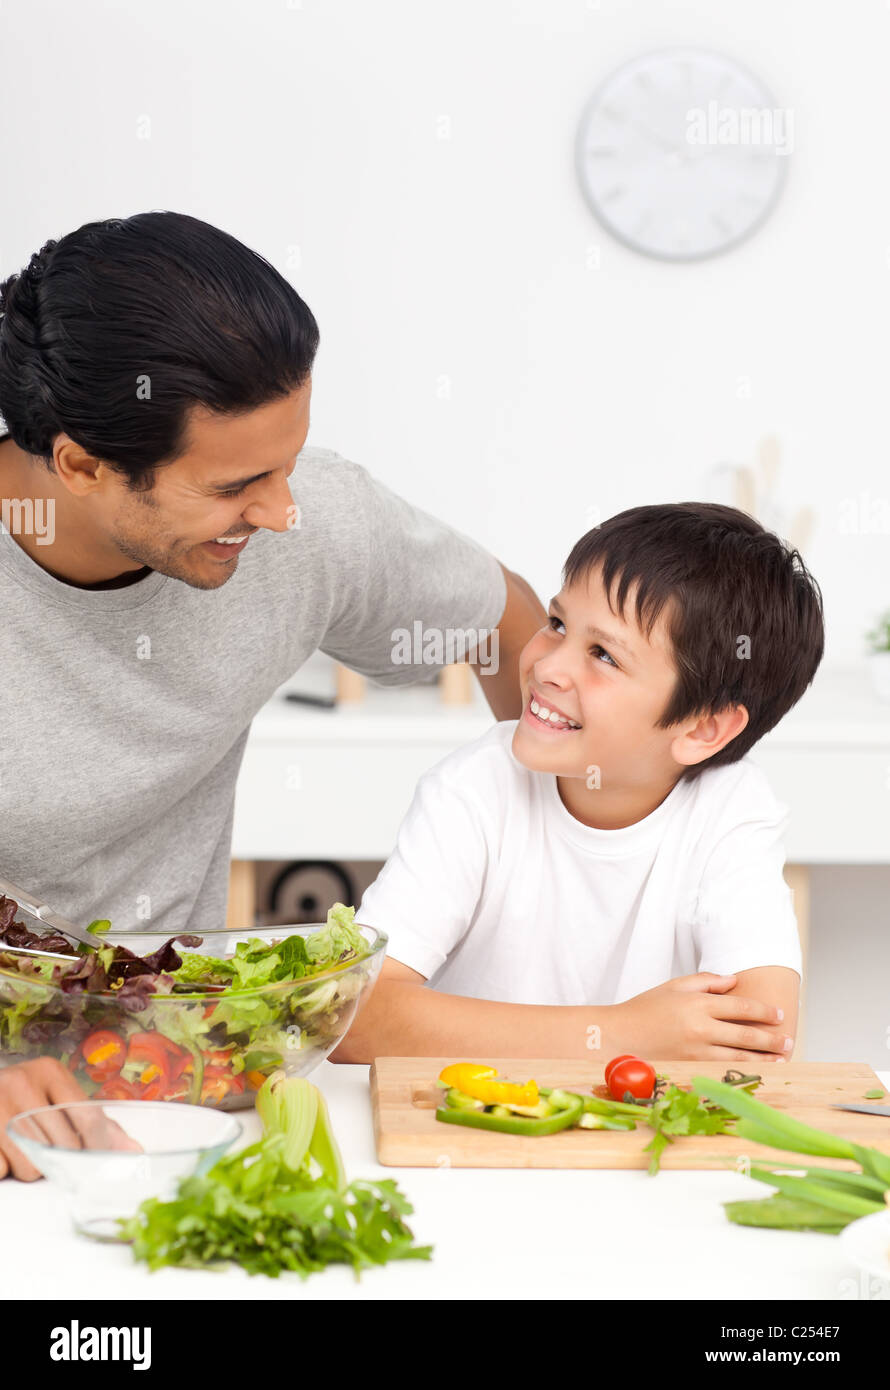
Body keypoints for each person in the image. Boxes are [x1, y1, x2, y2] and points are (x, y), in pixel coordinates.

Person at [0, 210, 545, 1176]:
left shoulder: (306, 525)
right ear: (79, 465)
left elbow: (510, 629)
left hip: (180, 1085)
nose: (282, 512)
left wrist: (550, 868)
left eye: (289, 464)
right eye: (237, 485)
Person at [334, 502, 824, 1066]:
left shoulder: (730, 808)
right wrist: (617, 1035)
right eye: (558, 623)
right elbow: (353, 1016)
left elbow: (759, 1041)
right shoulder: (473, 788)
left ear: (703, 727)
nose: (546, 666)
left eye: (603, 655)